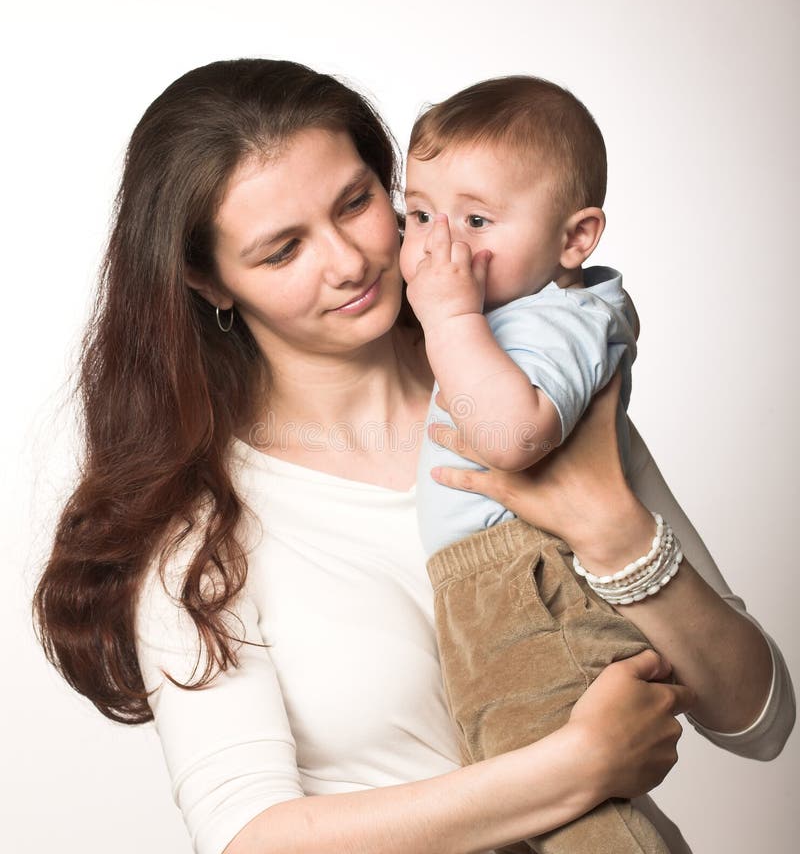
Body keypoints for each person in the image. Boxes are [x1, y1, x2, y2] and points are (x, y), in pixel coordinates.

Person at [32, 59, 793, 854]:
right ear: (210, 281)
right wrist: (576, 767)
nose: (349, 261)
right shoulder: (198, 530)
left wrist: (612, 533)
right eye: (282, 250)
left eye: (357, 203)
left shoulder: (525, 393)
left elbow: (759, 718)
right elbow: (251, 839)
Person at [400, 75, 664, 852]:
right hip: (487, 585)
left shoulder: (564, 318)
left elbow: (513, 439)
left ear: (574, 239)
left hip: (527, 582)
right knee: (535, 802)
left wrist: (446, 316)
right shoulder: (510, 313)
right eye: (419, 215)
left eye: (476, 219)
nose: (438, 244)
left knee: (576, 815)